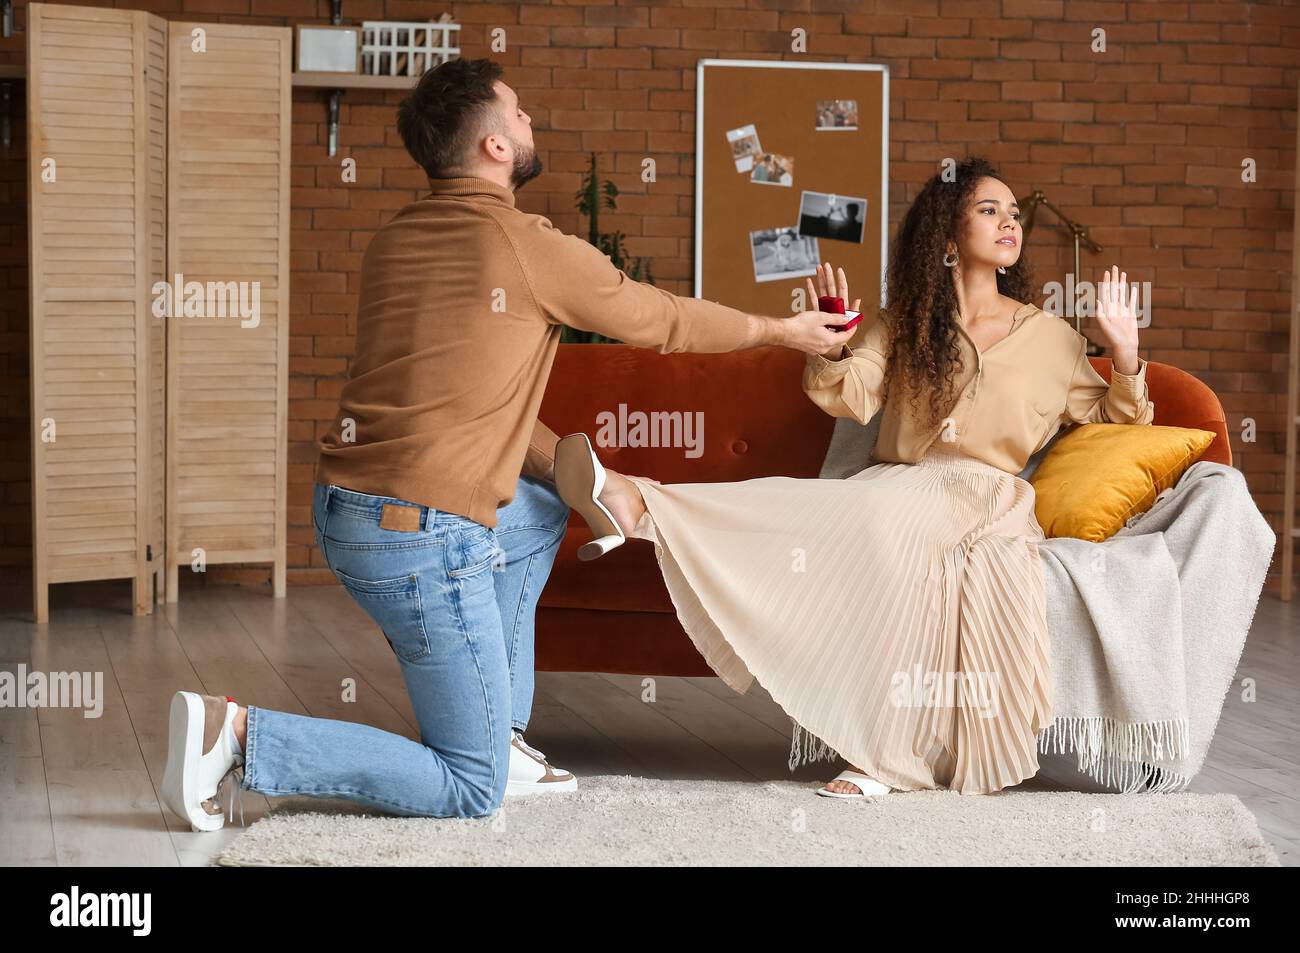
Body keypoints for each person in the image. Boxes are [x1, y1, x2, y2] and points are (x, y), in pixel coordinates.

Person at [159, 57, 853, 832]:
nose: (529, 124)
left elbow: (475, 406)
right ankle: (245, 738)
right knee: (468, 784)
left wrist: (580, 472)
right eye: (518, 114)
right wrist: (785, 331)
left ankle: (505, 735)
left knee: (539, 508)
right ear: (493, 146)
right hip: (421, 534)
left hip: (346, 513)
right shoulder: (526, 246)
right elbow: (664, 321)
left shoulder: (397, 239)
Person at [555, 157, 1155, 798]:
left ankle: (886, 758)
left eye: (1014, 214)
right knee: (812, 506)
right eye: (989, 210)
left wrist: (1123, 351)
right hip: (901, 485)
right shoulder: (902, 324)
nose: (1009, 222)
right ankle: (638, 505)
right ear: (946, 236)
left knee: (869, 520)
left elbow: (1120, 419)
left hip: (986, 500)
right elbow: (852, 394)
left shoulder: (1053, 339)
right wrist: (836, 345)